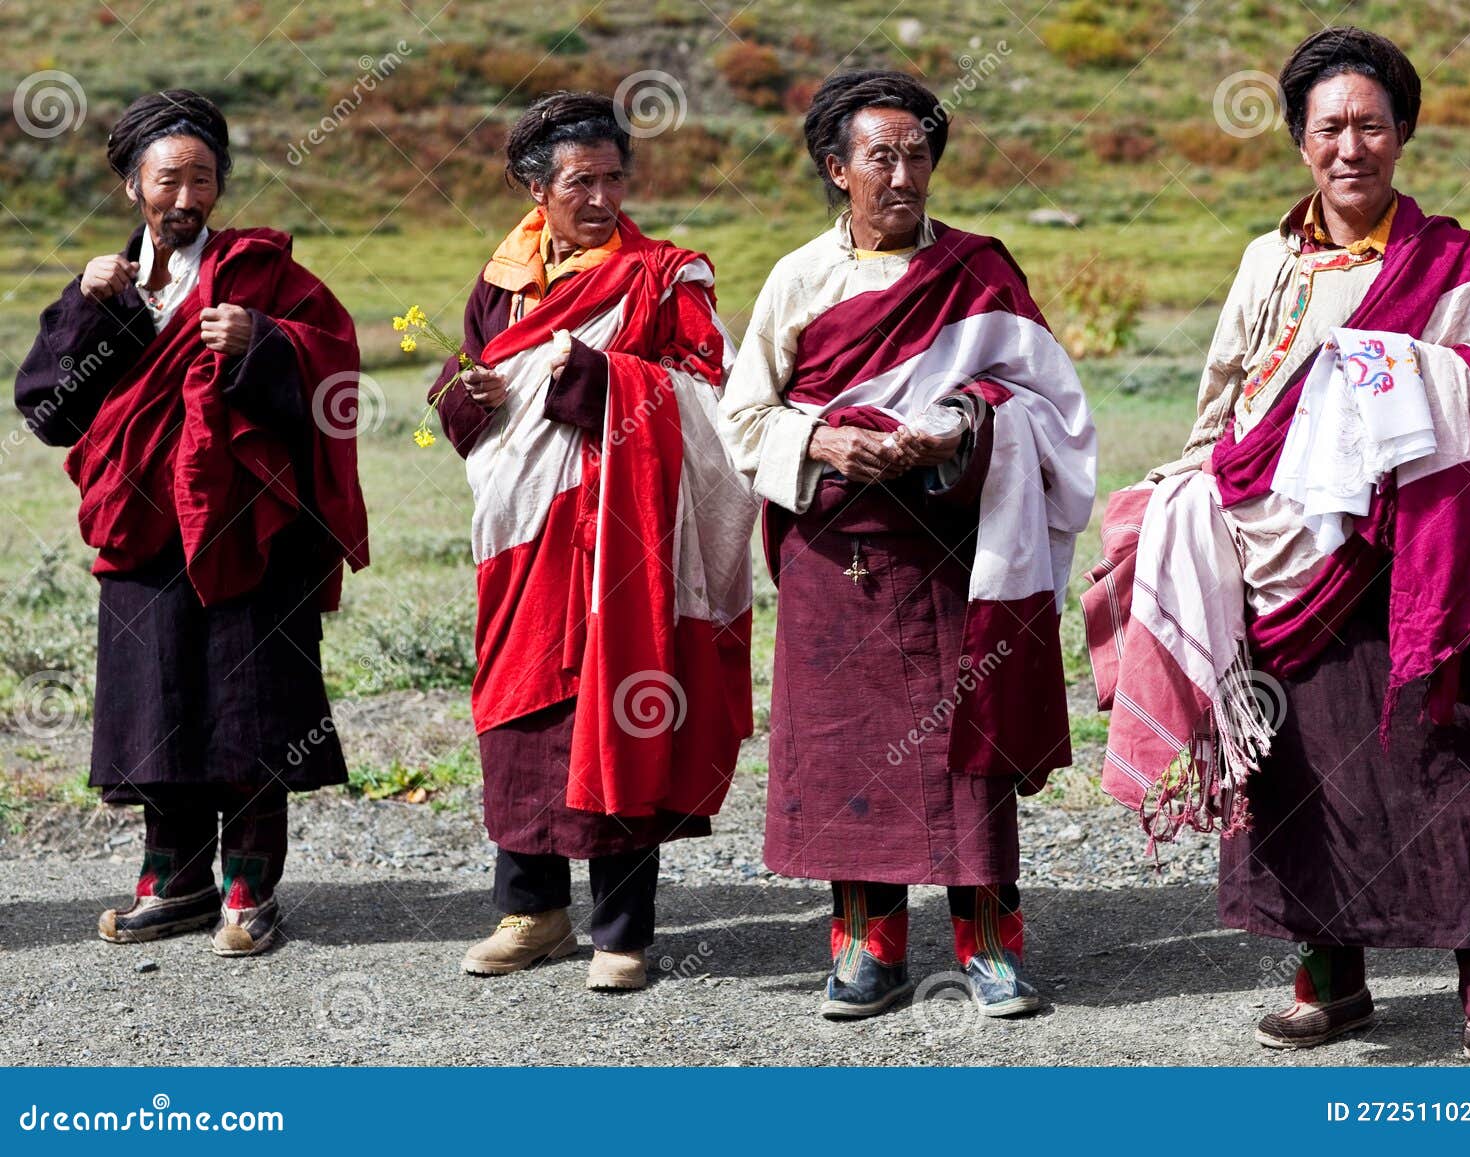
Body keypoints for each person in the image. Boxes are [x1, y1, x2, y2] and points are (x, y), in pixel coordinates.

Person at [1082, 29, 1470, 1065]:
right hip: (1277, 564)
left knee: (1452, 759)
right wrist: (1194, 492)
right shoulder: (1268, 264)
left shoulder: (1452, 264)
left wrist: (1411, 373)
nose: (1351, 147)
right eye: (1330, 127)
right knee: (1299, 764)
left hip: (1411, 563)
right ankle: (1329, 968)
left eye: (1372, 126)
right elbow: (1224, 404)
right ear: (1300, 141)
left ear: (1405, 132)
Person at [719, 70, 1096, 1019]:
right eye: (880, 157)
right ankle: (865, 949)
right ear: (835, 169)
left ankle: (990, 948)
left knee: (970, 748)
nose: (902, 175)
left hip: (954, 551)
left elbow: (1049, 401)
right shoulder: (800, 278)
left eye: (918, 155)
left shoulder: (979, 270)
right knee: (847, 754)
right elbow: (743, 417)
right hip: (834, 556)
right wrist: (821, 439)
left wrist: (965, 423)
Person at [13, 89, 368, 957]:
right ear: (131, 185)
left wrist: (265, 341)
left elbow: (337, 370)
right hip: (141, 526)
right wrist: (87, 310)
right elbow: (49, 410)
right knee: (157, 700)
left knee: (251, 702)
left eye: (202, 178)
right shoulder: (106, 283)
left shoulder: (262, 276)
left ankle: (250, 885)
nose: (185, 197)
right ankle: (172, 882)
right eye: (167, 178)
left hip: (250, 526)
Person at [433, 92, 756, 992]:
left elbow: (713, 396)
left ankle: (623, 929)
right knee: (519, 709)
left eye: (616, 178)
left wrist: (602, 379)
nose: (603, 198)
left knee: (620, 704)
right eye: (581, 182)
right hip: (521, 537)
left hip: (626, 538)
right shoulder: (500, 281)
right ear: (535, 188)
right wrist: (469, 391)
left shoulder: (666, 276)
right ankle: (531, 913)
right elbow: (471, 386)